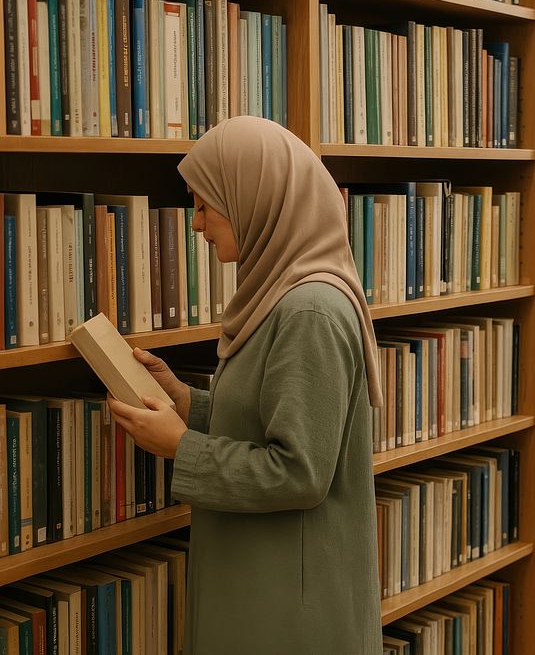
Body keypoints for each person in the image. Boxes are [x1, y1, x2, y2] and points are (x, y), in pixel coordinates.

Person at [107, 116, 384, 653]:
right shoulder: (281, 296)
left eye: (205, 205)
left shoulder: (309, 310)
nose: (196, 224)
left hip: (289, 607)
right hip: (265, 578)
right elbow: (268, 416)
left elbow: (299, 472)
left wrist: (179, 447)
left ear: (255, 199)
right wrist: (186, 403)